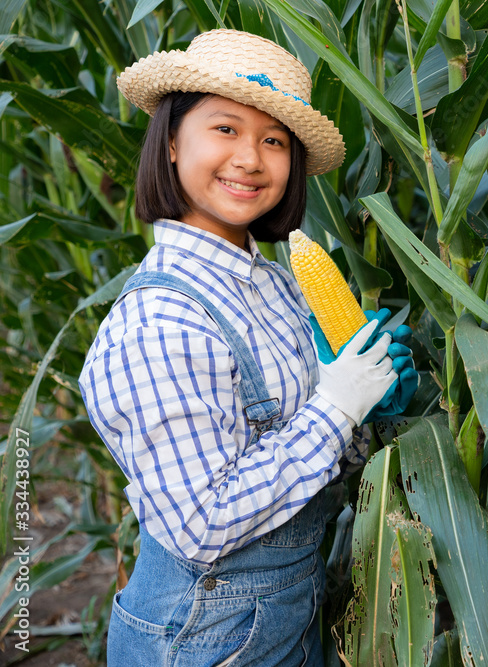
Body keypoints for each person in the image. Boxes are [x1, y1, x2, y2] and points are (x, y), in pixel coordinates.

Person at [78, 29, 414, 666]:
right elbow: (202, 524)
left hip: (289, 610)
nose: (251, 159)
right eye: (225, 129)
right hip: (206, 634)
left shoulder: (279, 286)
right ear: (172, 142)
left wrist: (368, 408)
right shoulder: (159, 320)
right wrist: (336, 407)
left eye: (273, 140)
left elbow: (302, 460)